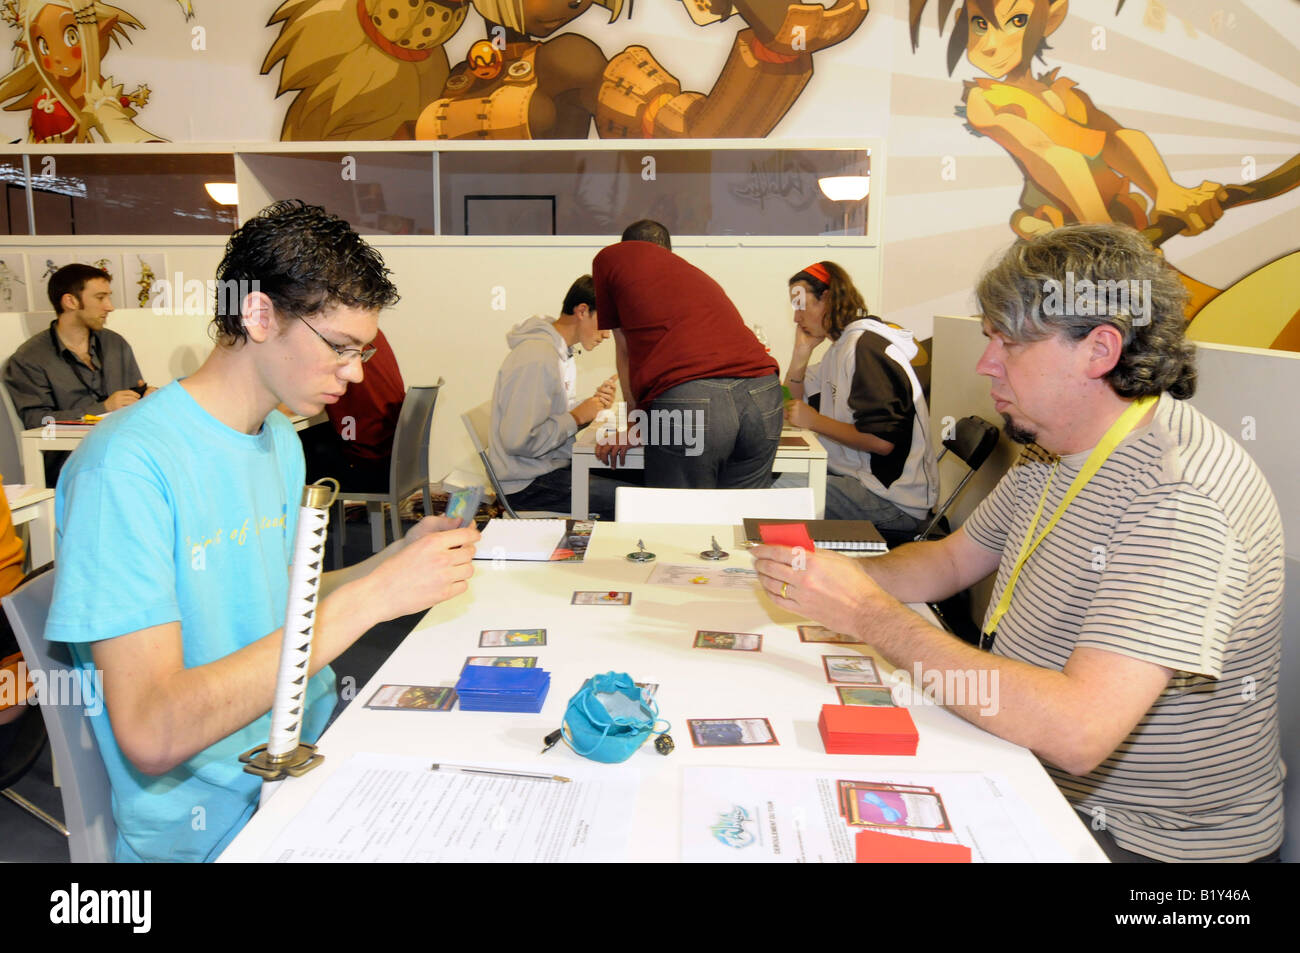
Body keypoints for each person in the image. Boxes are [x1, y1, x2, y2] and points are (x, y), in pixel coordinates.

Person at [754, 223, 1284, 863]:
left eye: (1008, 344)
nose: (985, 364)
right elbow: (949, 559)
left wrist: (867, 614)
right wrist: (829, 578)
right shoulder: (1052, 448)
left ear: (1099, 349)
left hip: (1146, 848)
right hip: (1036, 775)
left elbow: (1079, 729)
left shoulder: (1180, 495)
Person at [43, 200, 480, 862]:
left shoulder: (278, 436)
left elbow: (272, 594)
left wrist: (390, 564)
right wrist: (369, 601)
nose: (357, 372)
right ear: (259, 315)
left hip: (309, 750)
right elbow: (153, 728)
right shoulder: (123, 468)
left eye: (362, 351)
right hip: (223, 818)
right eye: (339, 347)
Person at [592, 220, 782, 488]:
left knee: (678, 520)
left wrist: (637, 425)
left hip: (691, 400)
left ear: (626, 245)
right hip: (764, 395)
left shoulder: (609, 259)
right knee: (741, 519)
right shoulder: (693, 274)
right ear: (668, 250)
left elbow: (626, 350)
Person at [779, 262, 937, 536]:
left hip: (891, 500)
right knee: (768, 482)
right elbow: (789, 405)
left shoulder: (865, 348)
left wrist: (814, 420)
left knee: (773, 494)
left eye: (801, 305)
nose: (796, 318)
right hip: (858, 482)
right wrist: (800, 355)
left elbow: (882, 442)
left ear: (827, 298)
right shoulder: (839, 350)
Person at [4, 263, 152, 486]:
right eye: (100, 298)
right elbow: (37, 421)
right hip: (72, 470)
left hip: (125, 459)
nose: (109, 307)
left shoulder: (115, 344)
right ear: (70, 301)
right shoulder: (29, 359)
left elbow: (134, 397)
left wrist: (148, 398)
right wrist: (102, 409)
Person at [490, 275, 626, 519]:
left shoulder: (558, 353)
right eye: (606, 323)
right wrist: (576, 416)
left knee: (634, 480)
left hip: (543, 469)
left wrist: (589, 407)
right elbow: (517, 440)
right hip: (527, 484)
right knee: (631, 500)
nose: (607, 335)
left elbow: (546, 415)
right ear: (582, 310)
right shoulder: (538, 357)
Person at [301, 326, 406, 494]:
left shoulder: (338, 343)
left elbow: (307, 398)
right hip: (390, 448)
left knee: (286, 444)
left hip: (368, 459)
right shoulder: (373, 333)